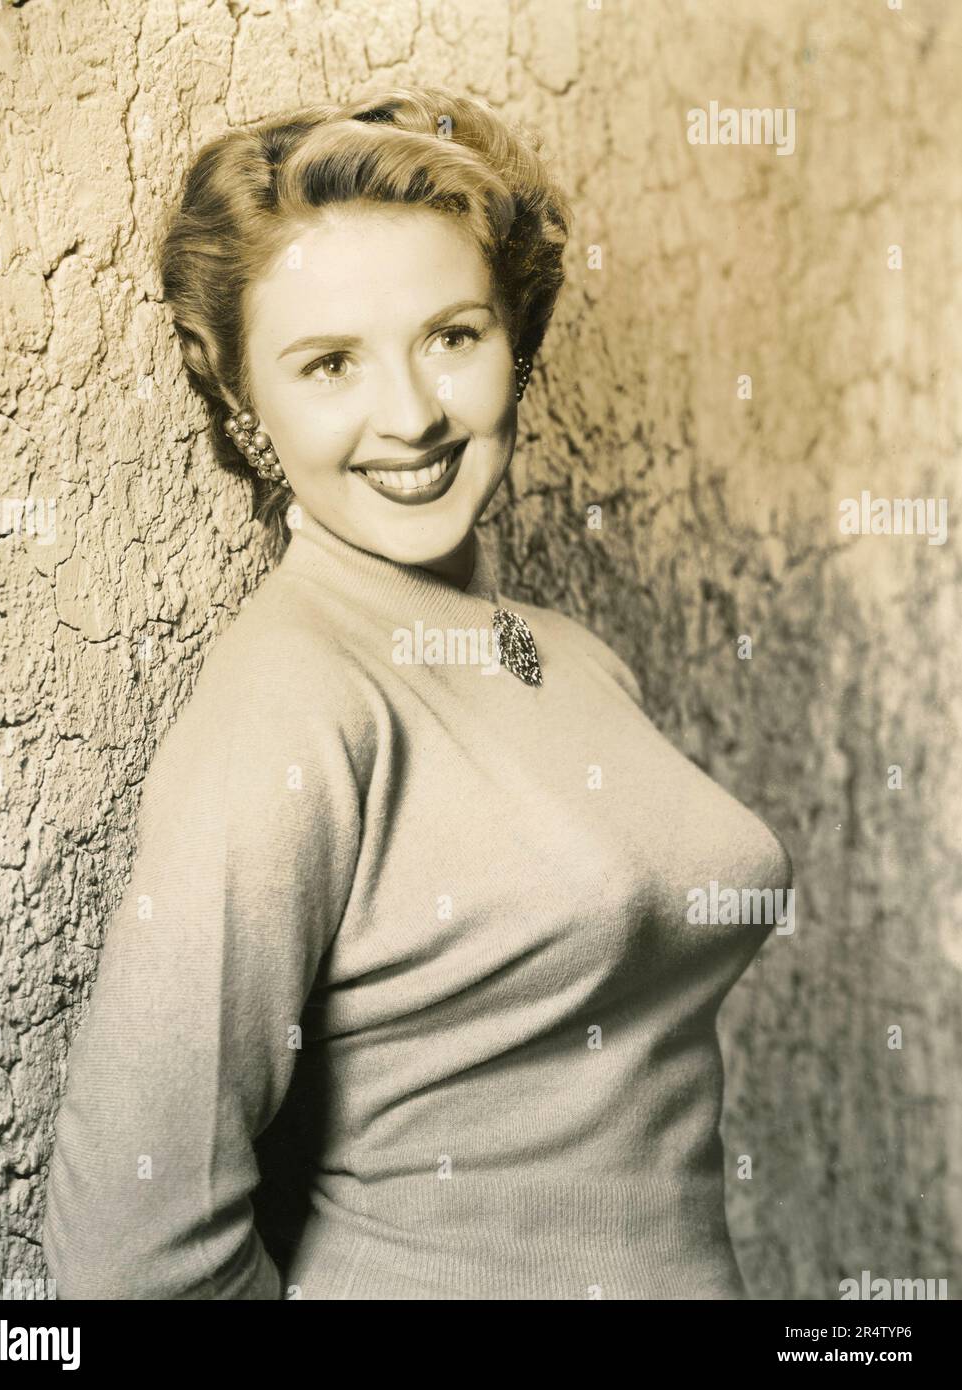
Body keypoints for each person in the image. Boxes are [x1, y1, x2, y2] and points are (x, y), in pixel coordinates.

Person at [41, 86, 793, 1300]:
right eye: (328, 363)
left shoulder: (572, 653)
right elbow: (125, 1252)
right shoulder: (291, 695)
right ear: (243, 395)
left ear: (516, 340)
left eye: (452, 336)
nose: (410, 416)